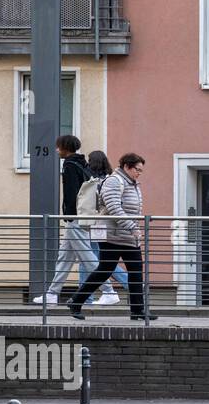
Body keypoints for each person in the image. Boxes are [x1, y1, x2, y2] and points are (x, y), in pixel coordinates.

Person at [64, 152, 156, 321]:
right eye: (137, 169)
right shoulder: (114, 181)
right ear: (127, 166)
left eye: (141, 171)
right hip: (112, 236)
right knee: (104, 270)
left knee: (135, 271)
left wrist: (131, 230)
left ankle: (138, 310)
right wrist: (132, 228)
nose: (139, 173)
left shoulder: (132, 183)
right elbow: (114, 208)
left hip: (126, 236)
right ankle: (76, 301)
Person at [32, 135, 121, 307]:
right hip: (81, 217)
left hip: (75, 219)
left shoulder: (70, 165)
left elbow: (72, 194)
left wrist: (70, 216)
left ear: (65, 147)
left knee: (88, 257)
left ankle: (109, 291)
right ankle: (52, 293)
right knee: (64, 257)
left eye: (59, 147)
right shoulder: (82, 164)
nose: (57, 150)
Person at [86, 150, 130, 296]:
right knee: (93, 257)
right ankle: (130, 284)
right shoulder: (110, 178)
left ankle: (89, 297)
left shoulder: (90, 179)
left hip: (95, 222)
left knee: (90, 258)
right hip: (106, 224)